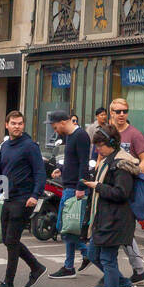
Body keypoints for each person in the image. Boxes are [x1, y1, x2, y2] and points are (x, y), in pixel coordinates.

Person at [82, 125, 141, 287]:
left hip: (115, 220)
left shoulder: (121, 164)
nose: (97, 149)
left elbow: (121, 193)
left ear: (112, 143)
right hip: (105, 219)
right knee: (93, 254)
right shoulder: (109, 160)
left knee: (107, 259)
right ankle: (124, 286)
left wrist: (98, 186)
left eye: (100, 145)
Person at [0, 110, 47, 287]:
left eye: (20, 123)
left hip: (23, 199)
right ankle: (36, 267)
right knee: (7, 239)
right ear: (7, 125)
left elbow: (40, 172)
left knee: (12, 241)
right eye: (13, 123)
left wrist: (35, 195)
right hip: (7, 197)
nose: (17, 126)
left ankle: (8, 283)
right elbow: (2, 172)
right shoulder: (5, 146)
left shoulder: (30, 146)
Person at [104, 98, 144, 287]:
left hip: (126, 190)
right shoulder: (107, 132)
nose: (122, 114)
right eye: (118, 111)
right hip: (108, 187)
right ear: (111, 112)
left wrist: (136, 171)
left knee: (123, 229)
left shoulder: (134, 134)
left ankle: (130, 272)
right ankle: (137, 271)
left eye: (125, 111)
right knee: (118, 230)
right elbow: (100, 155)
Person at [48, 110, 94, 277]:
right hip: (69, 186)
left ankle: (87, 253)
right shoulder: (70, 137)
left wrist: (81, 187)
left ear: (62, 122)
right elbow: (72, 160)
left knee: (65, 228)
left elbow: (83, 162)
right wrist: (61, 169)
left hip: (75, 189)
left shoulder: (80, 136)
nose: (55, 130)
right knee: (69, 229)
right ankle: (70, 265)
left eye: (54, 127)